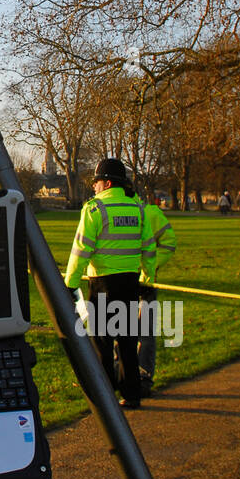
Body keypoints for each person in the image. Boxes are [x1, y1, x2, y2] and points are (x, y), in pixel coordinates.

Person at [64, 158, 156, 410]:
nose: (94, 187)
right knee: (127, 343)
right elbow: (149, 248)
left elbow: (81, 249)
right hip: (129, 282)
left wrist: (70, 283)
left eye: (96, 182)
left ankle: (106, 398)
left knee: (102, 344)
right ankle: (132, 395)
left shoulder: (94, 210)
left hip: (102, 284)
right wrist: (147, 279)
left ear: (105, 183)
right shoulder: (138, 209)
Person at [136, 191, 177, 397]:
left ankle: (143, 376)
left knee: (144, 332)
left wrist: (149, 268)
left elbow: (168, 242)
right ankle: (124, 375)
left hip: (144, 283)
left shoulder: (150, 213)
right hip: (122, 281)